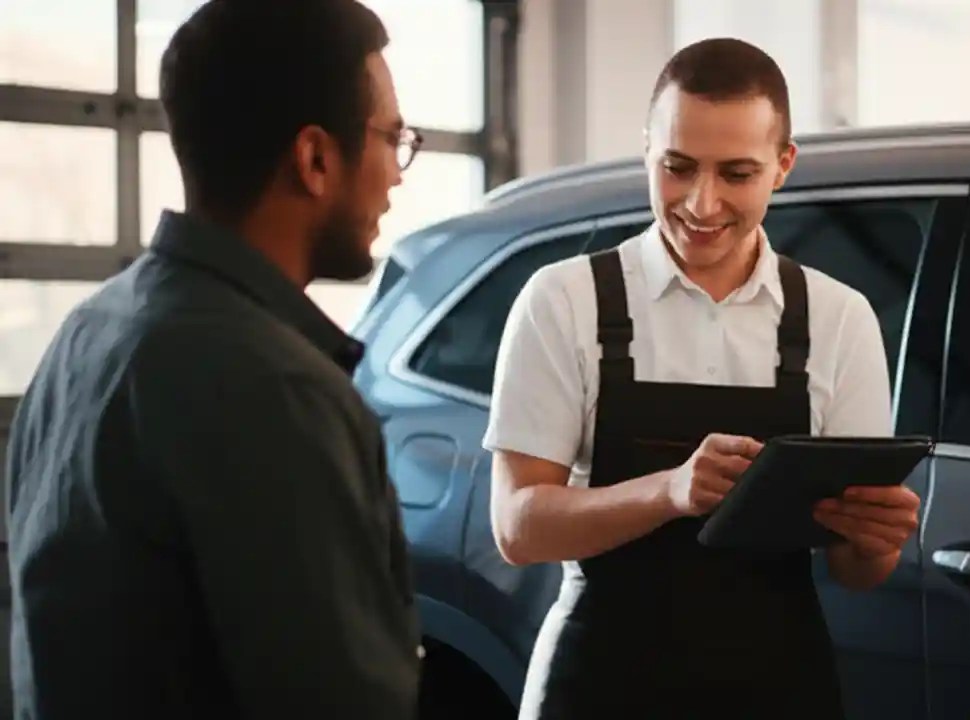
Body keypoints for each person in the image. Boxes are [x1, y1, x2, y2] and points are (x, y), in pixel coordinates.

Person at [4, 1, 424, 717]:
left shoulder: (90, 331)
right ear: (315, 158)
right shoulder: (275, 389)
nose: (398, 174)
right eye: (392, 138)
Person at [484, 37, 922, 719]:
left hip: (779, 688)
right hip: (599, 683)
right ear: (647, 152)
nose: (702, 202)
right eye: (678, 167)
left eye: (736, 174)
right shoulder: (565, 300)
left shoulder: (839, 319)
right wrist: (669, 491)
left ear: (783, 166)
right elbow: (518, 528)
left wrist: (876, 539)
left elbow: (855, 572)